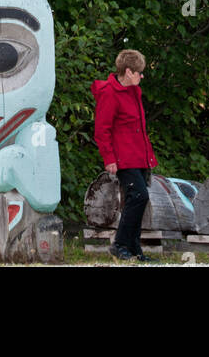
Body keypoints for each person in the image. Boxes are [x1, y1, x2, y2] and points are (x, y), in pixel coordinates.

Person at [92, 49, 158, 261]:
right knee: (139, 196)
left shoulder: (133, 91)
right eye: (139, 72)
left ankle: (134, 249)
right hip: (123, 158)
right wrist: (109, 158)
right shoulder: (110, 93)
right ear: (128, 72)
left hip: (138, 155)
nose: (141, 76)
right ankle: (119, 244)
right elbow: (102, 130)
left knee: (136, 199)